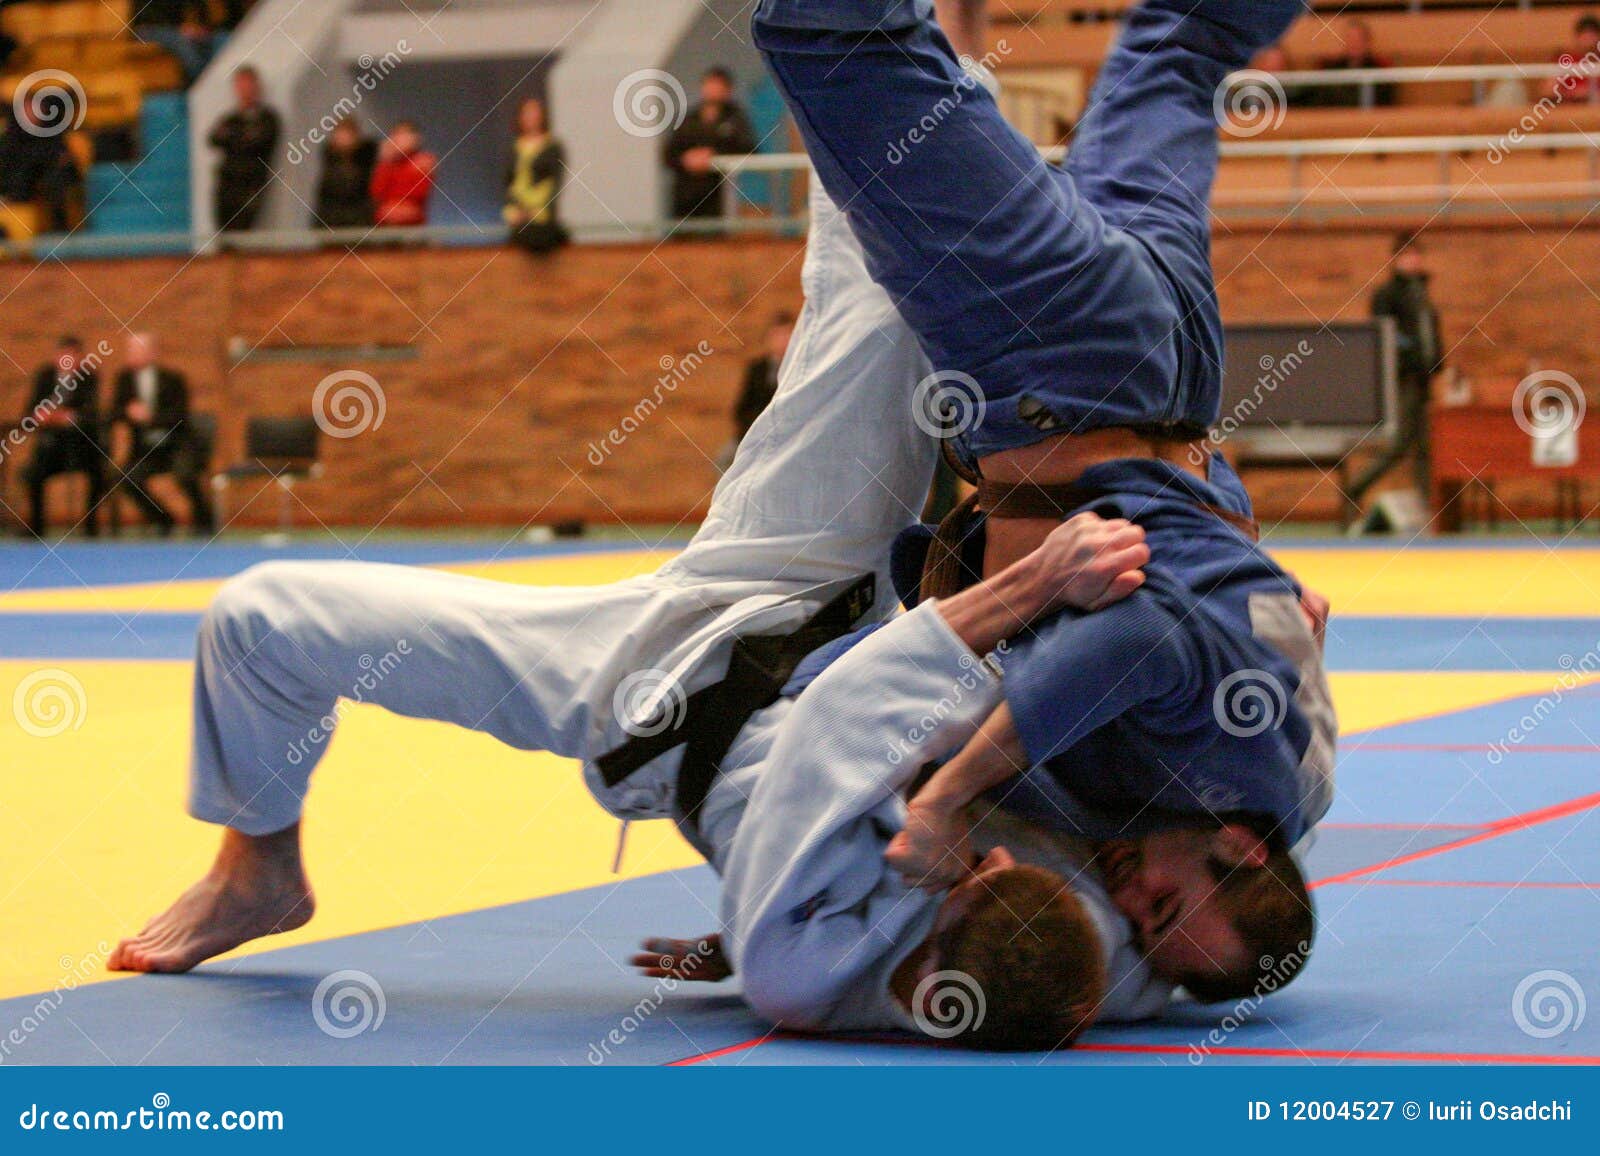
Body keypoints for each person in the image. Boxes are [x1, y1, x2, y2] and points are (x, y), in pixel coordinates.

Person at [106, 173, 1173, 1049]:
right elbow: (1210, 940)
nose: (989, 852)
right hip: (817, 581)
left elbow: (855, 712)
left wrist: (1037, 583)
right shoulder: (1080, 964)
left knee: (259, 615)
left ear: (936, 953)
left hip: (650, 689)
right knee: (877, 284)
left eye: (977, 872)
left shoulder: (803, 971)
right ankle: (910, 55)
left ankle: (260, 868)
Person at [750, 0, 1335, 1001]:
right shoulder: (1227, 763)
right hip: (1058, 361)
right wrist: (945, 800)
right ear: (1239, 848)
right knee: (827, 36)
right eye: (1161, 908)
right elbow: (1131, 642)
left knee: (1181, 42)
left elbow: (1268, 608)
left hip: (1169, 373)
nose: (1130, 904)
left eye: (1141, 933)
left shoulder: (1278, 772)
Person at [1347, 231, 1443, 513]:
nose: (1413, 261)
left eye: (1416, 255)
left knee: (1426, 447)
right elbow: (1385, 336)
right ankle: (1357, 487)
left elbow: (1430, 335)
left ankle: (1430, 508)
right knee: (1400, 444)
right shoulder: (1387, 295)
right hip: (1402, 379)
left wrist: (1437, 364)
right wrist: (1410, 355)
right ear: (1396, 259)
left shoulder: (1422, 294)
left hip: (1425, 377)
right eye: (1407, 255)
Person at [110, 333, 215, 537]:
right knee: (126, 477)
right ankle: (162, 518)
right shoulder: (124, 379)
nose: (132, 355)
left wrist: (150, 417)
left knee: (185, 474)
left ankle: (203, 520)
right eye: (130, 350)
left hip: (176, 444)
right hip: (145, 449)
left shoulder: (173, 379)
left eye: (137, 350)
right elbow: (113, 412)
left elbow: (180, 415)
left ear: (151, 352)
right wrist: (128, 413)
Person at [21, 337, 106, 540]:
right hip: (51, 448)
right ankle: (36, 527)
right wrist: (44, 417)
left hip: (82, 446)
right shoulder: (45, 377)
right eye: (62, 355)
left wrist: (63, 417)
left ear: (79, 357)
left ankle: (91, 527)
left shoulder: (89, 378)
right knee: (32, 474)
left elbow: (89, 414)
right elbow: (31, 412)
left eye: (72, 356)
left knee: (100, 473)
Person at [663, 66, 756, 222]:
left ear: (728, 90)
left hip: (718, 196)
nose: (713, 90)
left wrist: (714, 157)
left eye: (719, 86)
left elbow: (749, 150)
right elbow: (668, 154)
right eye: (710, 85)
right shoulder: (688, 119)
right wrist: (687, 160)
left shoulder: (736, 119)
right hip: (686, 196)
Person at [717, 311, 794, 471]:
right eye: (778, 335)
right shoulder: (757, 370)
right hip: (754, 435)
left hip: (788, 436)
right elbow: (742, 408)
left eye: (788, 335)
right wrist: (751, 434)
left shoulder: (798, 369)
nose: (783, 341)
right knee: (725, 459)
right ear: (770, 338)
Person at [207, 66, 280, 232]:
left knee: (245, 234)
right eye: (240, 85)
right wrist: (240, 137)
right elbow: (213, 139)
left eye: (248, 84)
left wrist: (233, 138)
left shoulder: (268, 117)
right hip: (227, 185)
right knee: (224, 234)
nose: (245, 89)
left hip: (251, 186)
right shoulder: (230, 118)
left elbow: (258, 142)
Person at [0, 101, 82, 232]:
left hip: (49, 175)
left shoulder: (53, 132)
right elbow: (8, 162)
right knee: (19, 176)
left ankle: (59, 230)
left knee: (55, 181)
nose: (31, 114)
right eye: (27, 110)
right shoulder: (11, 136)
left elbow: (61, 157)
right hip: (21, 179)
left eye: (36, 109)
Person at [503, 98, 568, 254]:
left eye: (535, 113)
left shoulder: (553, 147)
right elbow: (508, 183)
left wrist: (539, 210)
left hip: (543, 219)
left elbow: (556, 183)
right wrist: (516, 210)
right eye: (527, 113)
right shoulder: (513, 149)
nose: (531, 117)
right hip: (518, 217)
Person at [1310, 16, 1394, 108]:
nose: (1354, 44)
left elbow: (1385, 105)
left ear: (1367, 42)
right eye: (1350, 39)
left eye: (1358, 40)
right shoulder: (1332, 70)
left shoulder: (1380, 72)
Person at [311, 117, 376, 230]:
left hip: (359, 225)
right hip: (330, 224)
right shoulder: (329, 166)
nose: (343, 138)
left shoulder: (366, 163)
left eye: (347, 133)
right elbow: (323, 200)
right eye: (339, 133)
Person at [370, 121, 436, 228]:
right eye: (397, 134)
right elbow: (377, 193)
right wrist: (386, 161)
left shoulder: (424, 161)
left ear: (416, 138)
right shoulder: (387, 163)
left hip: (413, 225)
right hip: (385, 224)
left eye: (405, 134)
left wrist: (396, 206)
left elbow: (417, 194)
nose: (400, 139)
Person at [1552, 14, 1600, 103]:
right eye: (1584, 34)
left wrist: (1594, 93)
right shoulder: (1566, 60)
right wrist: (1571, 94)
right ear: (1577, 37)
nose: (1588, 39)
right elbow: (1548, 91)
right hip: (1571, 110)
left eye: (1592, 34)